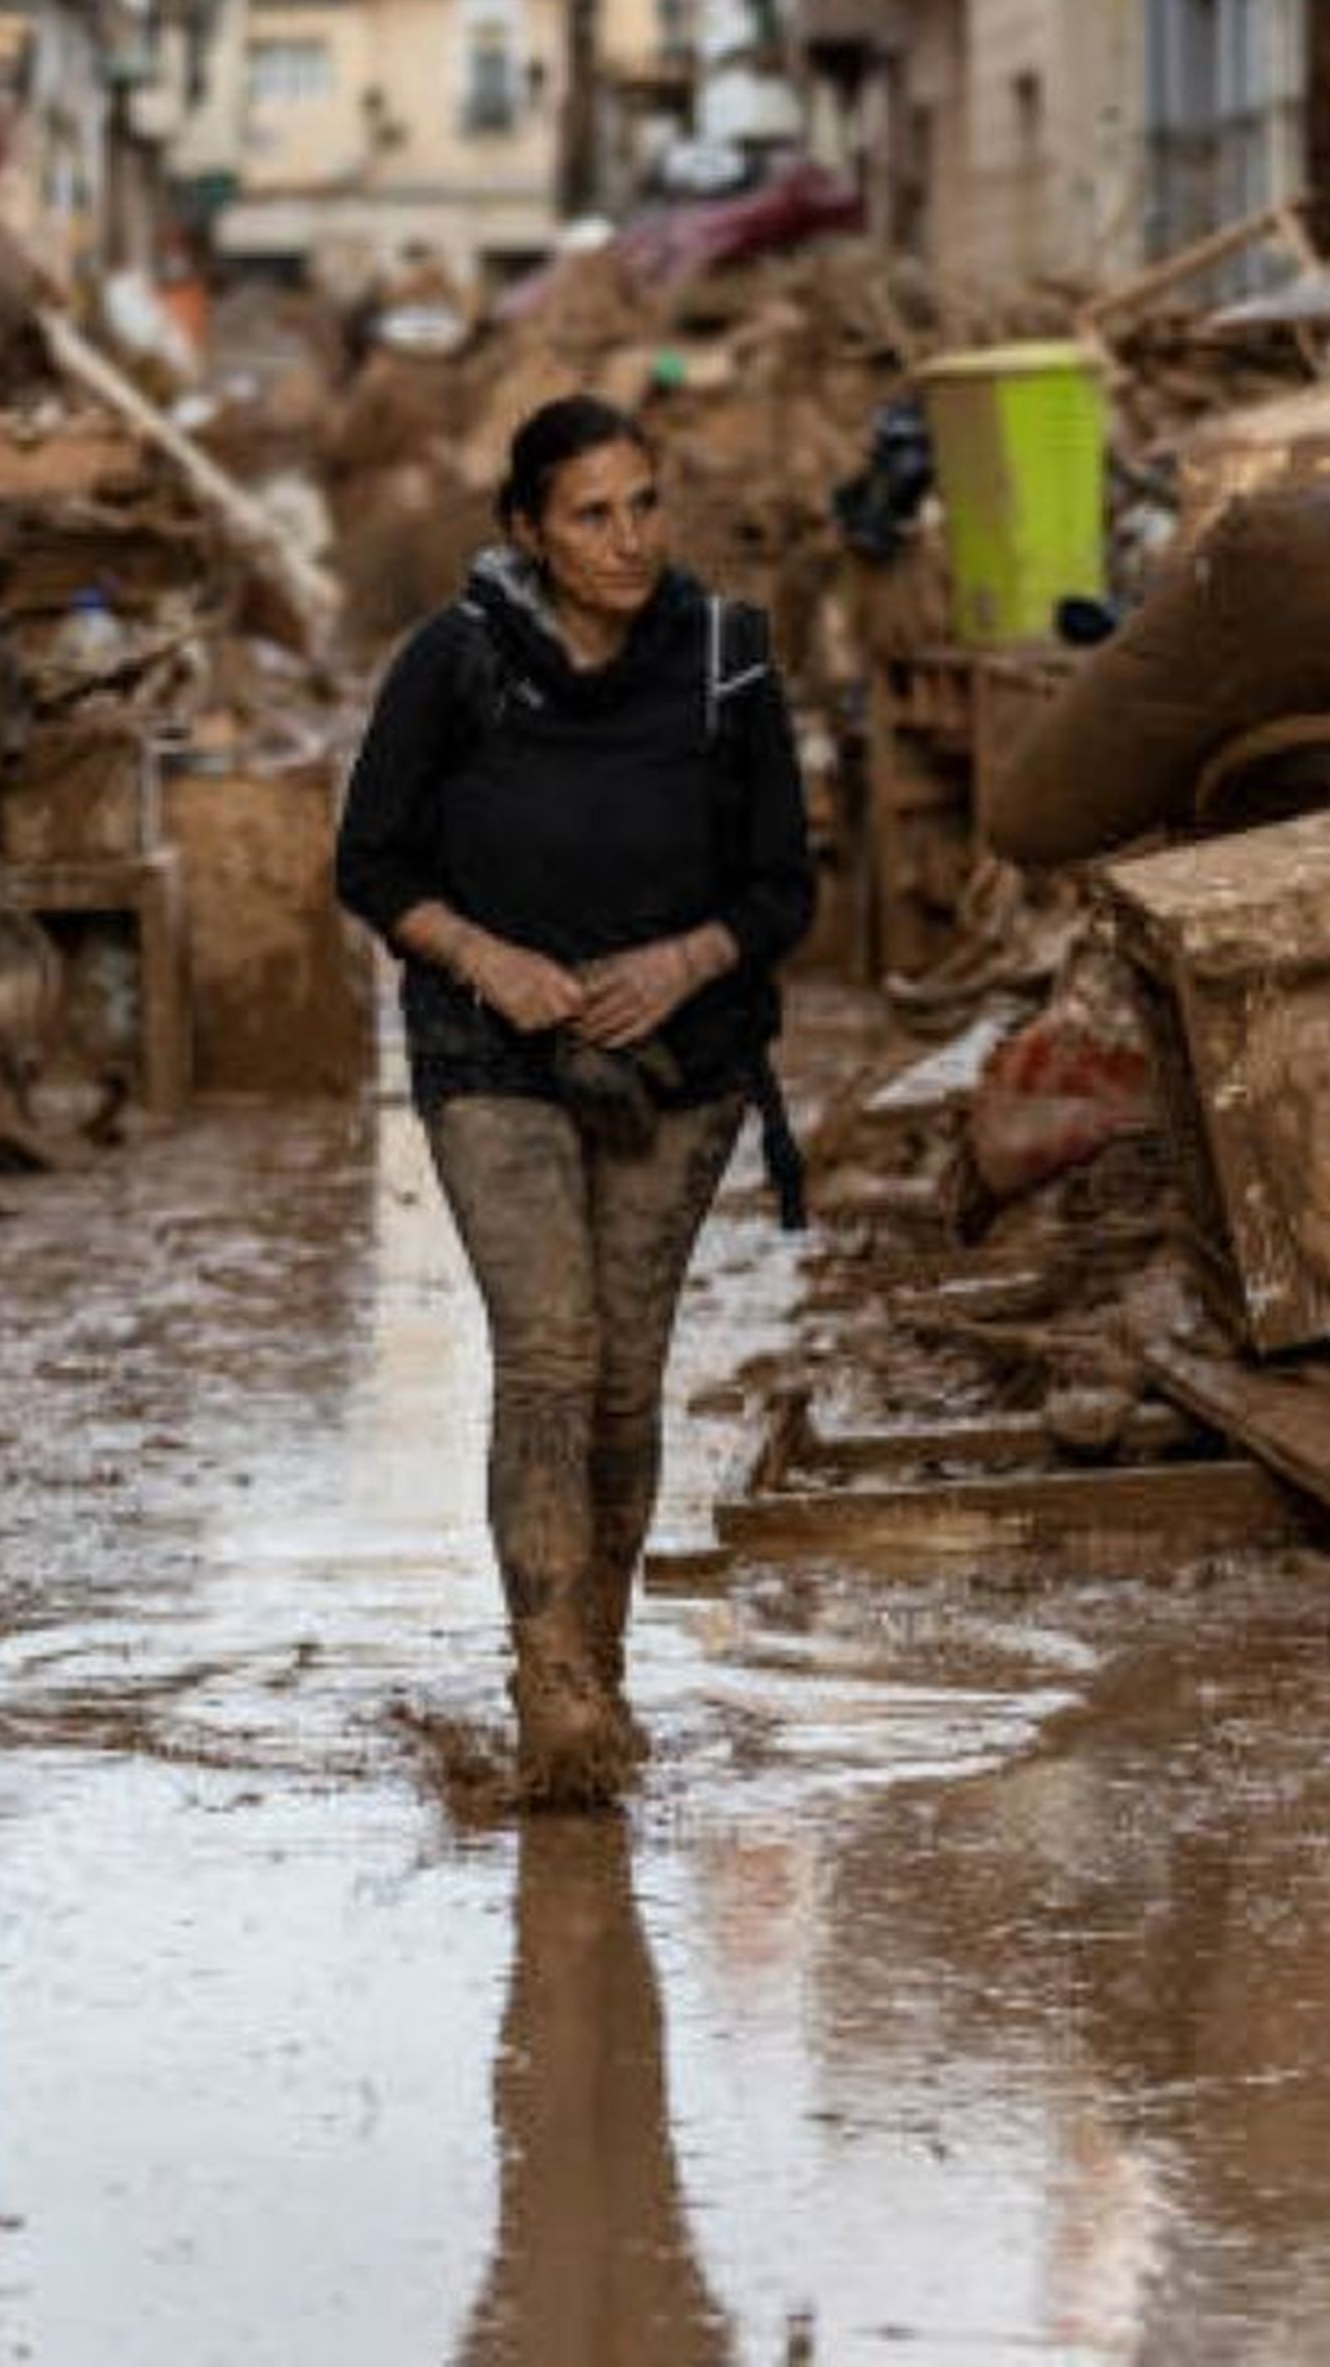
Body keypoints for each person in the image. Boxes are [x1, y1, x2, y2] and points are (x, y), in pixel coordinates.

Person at [335, 394, 813, 1807]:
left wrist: (681, 962)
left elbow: (785, 888)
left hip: (685, 1063)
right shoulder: (458, 662)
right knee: (551, 1350)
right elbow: (371, 864)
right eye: (592, 514)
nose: (628, 540)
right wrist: (492, 960)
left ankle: (595, 1673)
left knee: (623, 1374)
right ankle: (550, 1688)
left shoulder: (726, 661)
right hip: (495, 1058)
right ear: (528, 532)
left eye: (646, 505)